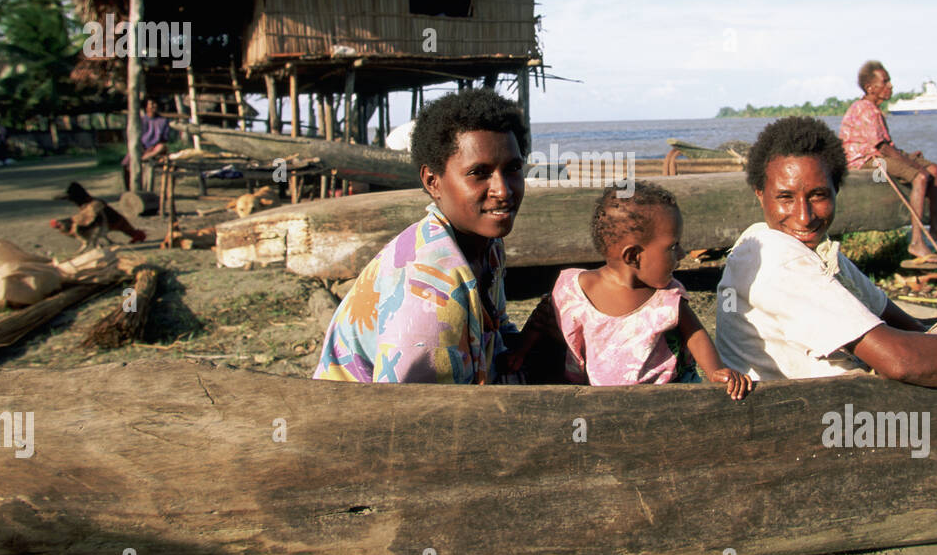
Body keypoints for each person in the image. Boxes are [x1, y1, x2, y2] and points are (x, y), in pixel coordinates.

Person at [715, 116, 937, 388]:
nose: (804, 216)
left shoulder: (812, 251)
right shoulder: (776, 256)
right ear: (760, 194)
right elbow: (901, 361)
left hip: (850, 390)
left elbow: (907, 326)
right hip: (823, 412)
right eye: (785, 197)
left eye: (819, 195)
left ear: (838, 191)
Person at [313, 88, 527, 384]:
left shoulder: (486, 245)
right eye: (479, 173)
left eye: (513, 168)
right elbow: (414, 416)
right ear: (433, 181)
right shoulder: (429, 294)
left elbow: (497, 332)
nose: (503, 190)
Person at [507, 183, 752, 399]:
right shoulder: (573, 288)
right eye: (673, 246)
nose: (682, 254)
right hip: (596, 397)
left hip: (667, 398)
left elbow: (695, 333)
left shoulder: (667, 296)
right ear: (633, 256)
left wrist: (715, 371)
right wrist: (521, 349)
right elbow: (542, 319)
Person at [839, 61, 937, 261]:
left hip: (880, 153)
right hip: (865, 159)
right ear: (871, 88)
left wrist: (908, 157)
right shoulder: (864, 108)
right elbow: (881, 147)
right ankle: (916, 242)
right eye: (885, 82)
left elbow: (886, 145)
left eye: (889, 81)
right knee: (921, 176)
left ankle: (936, 228)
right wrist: (910, 164)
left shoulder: (873, 108)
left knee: (933, 169)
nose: (890, 86)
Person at [121, 98, 172, 191]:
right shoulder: (140, 120)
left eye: (155, 104)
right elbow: (135, 136)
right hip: (141, 147)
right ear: (146, 107)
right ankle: (129, 189)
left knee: (161, 147)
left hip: (155, 148)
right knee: (125, 164)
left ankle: (143, 158)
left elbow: (165, 139)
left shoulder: (163, 121)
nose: (153, 106)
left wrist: (155, 146)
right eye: (151, 104)